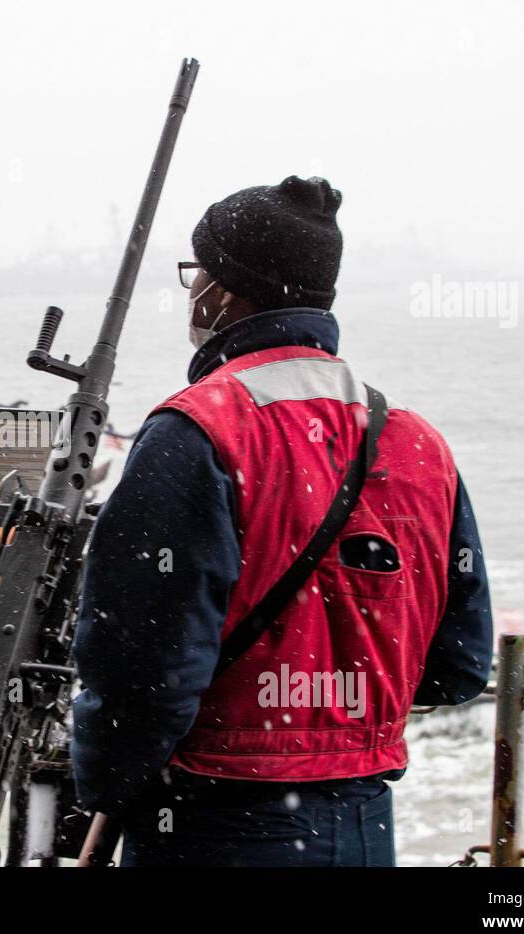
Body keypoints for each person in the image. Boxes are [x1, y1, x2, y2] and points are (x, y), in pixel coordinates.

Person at [70, 175, 493, 867]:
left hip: (212, 823)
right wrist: (332, 711)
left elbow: (142, 670)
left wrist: (106, 787)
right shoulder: (418, 443)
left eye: (194, 273)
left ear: (225, 292)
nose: (190, 291)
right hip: (362, 820)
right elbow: (460, 665)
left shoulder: (197, 431)